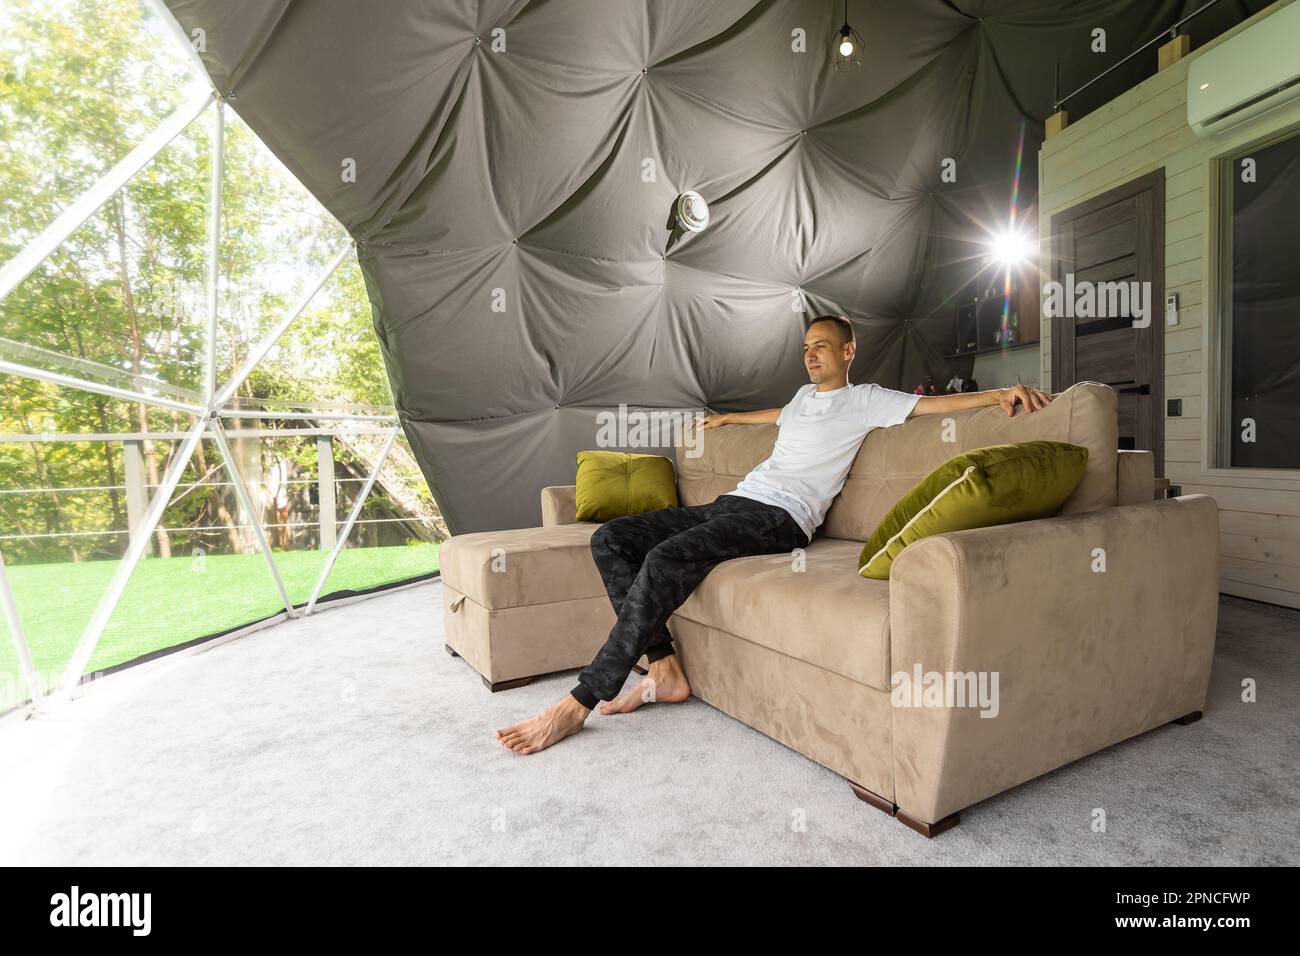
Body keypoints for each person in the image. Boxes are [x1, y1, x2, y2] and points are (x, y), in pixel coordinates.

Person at [495, 315, 1052, 754]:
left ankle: (580, 700)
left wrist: (1000, 393)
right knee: (610, 539)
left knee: (664, 559)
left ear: (848, 352)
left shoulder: (867, 400)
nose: (811, 354)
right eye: (807, 346)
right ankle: (663, 669)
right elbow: (773, 416)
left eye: (823, 346)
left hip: (779, 519)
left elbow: (935, 406)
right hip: (733, 503)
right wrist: (728, 420)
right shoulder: (802, 400)